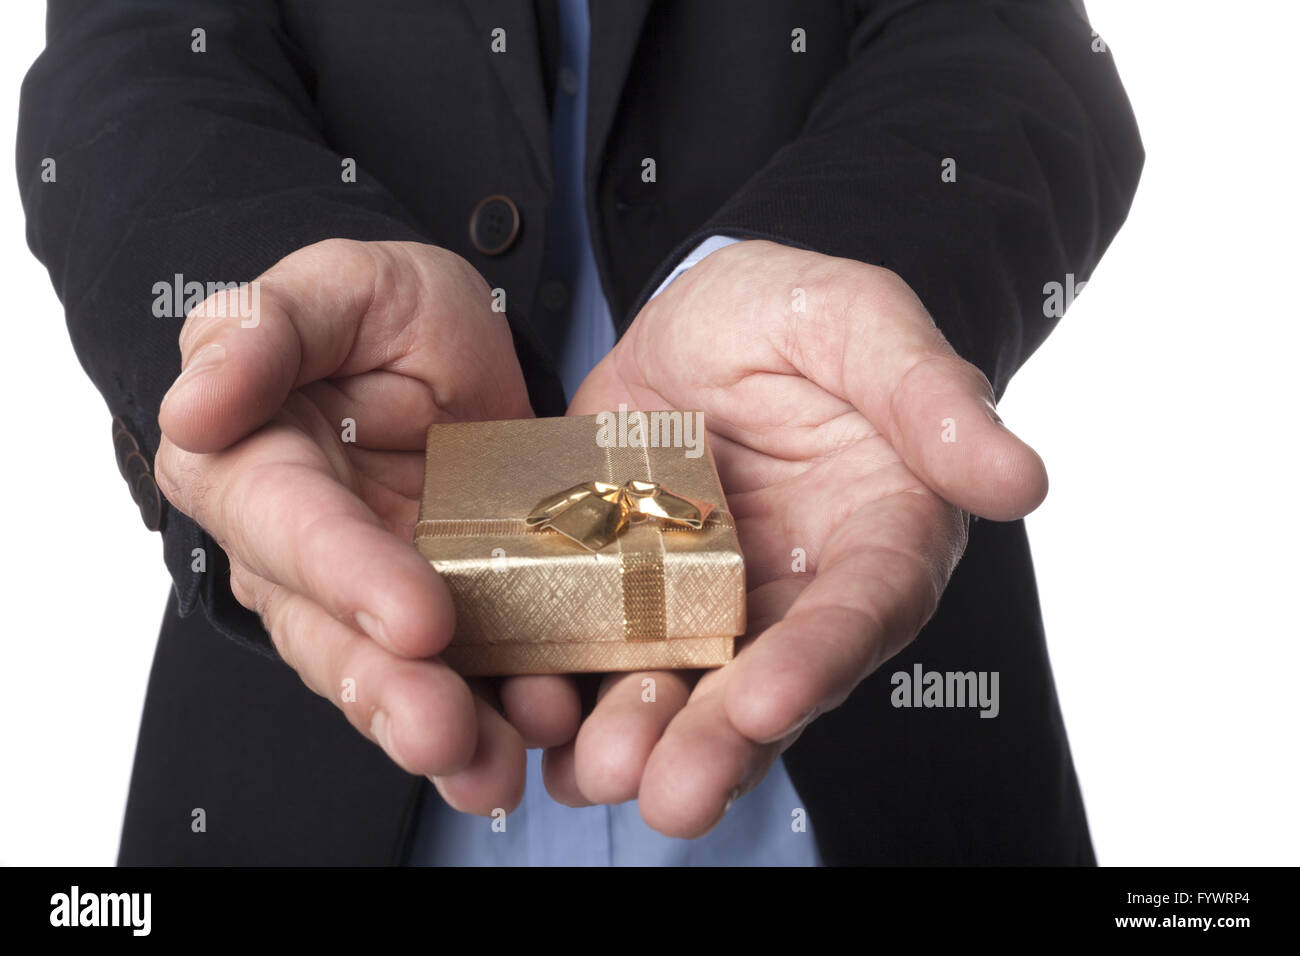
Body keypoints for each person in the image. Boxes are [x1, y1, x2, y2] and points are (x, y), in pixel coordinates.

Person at [16, 0, 1142, 865]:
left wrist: (833, 270)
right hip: (313, 719)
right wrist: (280, 296)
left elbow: (1006, 37)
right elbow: (142, 49)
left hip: (858, 684)